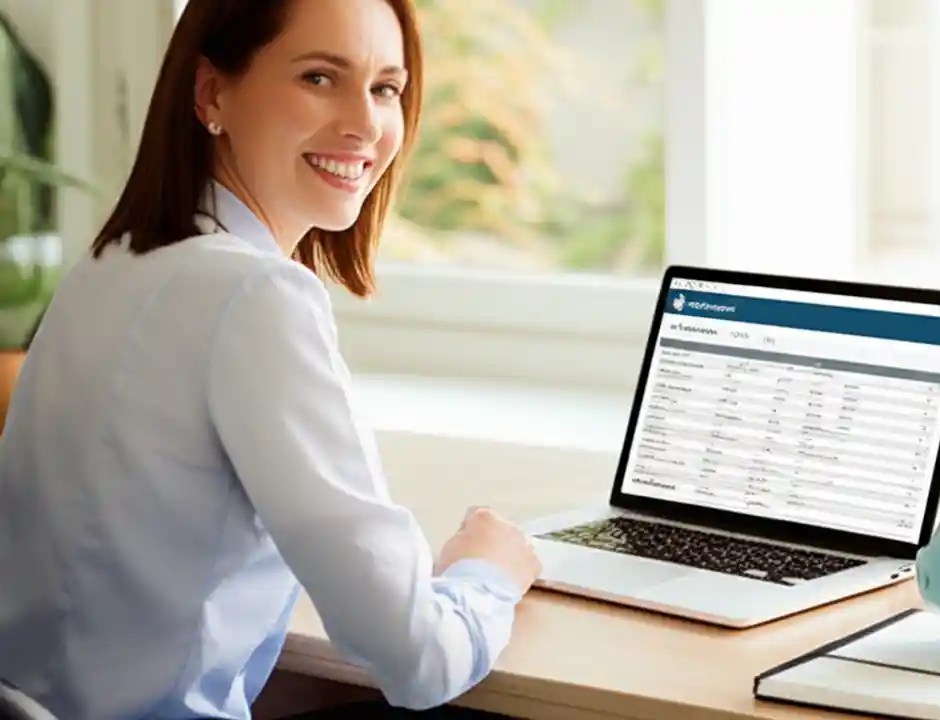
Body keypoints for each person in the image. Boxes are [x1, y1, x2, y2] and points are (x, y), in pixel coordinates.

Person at [0, 0, 542, 718]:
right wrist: (486, 572)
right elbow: (419, 658)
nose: (365, 123)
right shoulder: (254, 295)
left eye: (385, 88)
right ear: (211, 94)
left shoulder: (110, 262)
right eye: (319, 78)